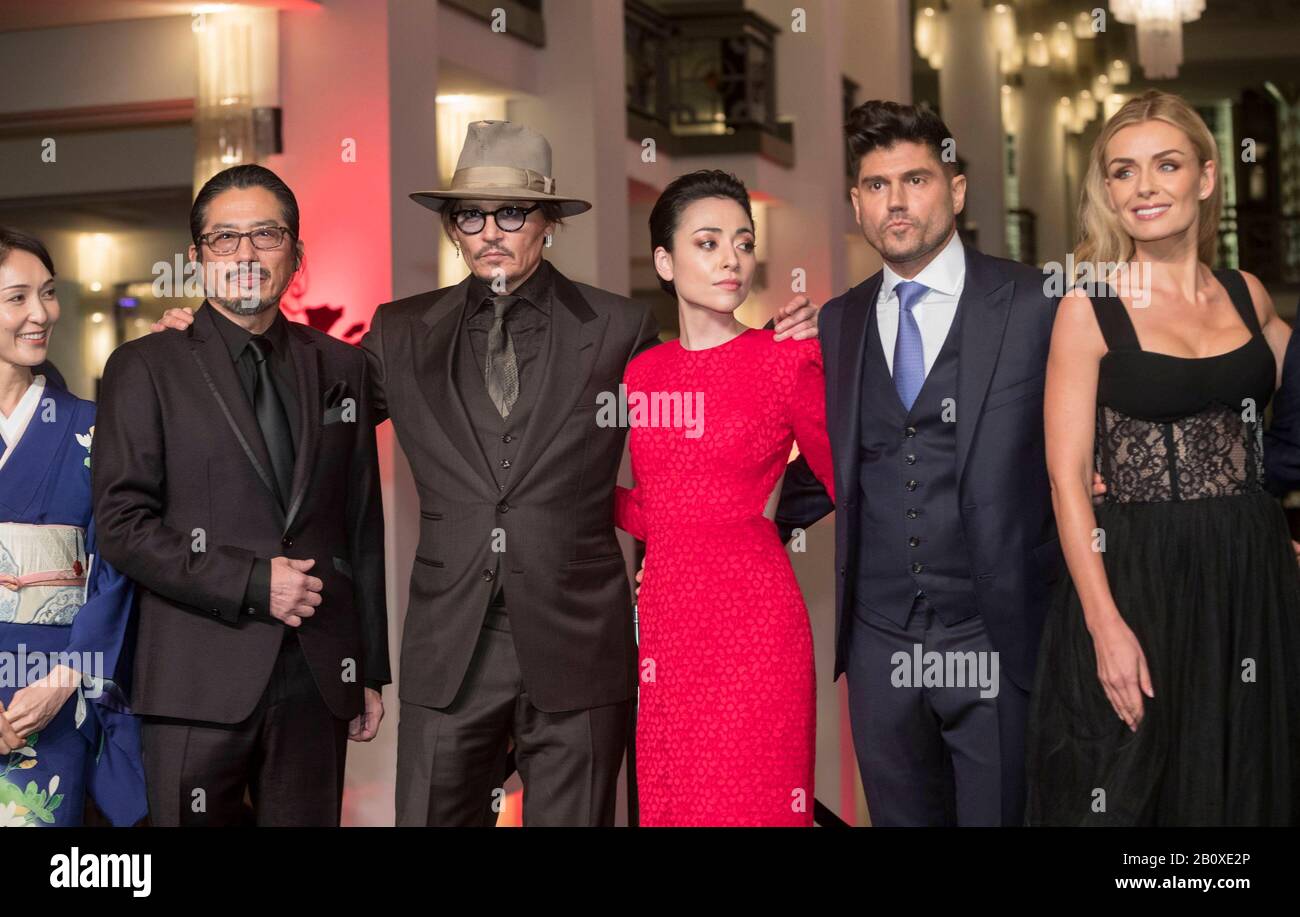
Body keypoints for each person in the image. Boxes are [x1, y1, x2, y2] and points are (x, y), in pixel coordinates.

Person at [158, 122, 821, 826]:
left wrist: (776, 377)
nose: (491, 232)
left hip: (580, 647)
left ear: (548, 224)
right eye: (470, 215)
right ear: (452, 228)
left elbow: (704, 433)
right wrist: (214, 347)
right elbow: (305, 406)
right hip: (451, 648)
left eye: (512, 212)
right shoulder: (399, 332)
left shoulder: (618, 329)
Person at [775, 101, 1060, 826]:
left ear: (956, 190)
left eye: (916, 180)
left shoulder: (1034, 301)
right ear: (856, 203)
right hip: (879, 643)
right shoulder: (838, 320)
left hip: (996, 635)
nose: (895, 202)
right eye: (875, 185)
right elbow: (830, 464)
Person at [1027, 90, 1300, 825]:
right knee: (1136, 794)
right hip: (1138, 575)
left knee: (1244, 780)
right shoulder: (1088, 307)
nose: (1144, 187)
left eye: (1166, 165)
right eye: (1123, 172)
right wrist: (1104, 625)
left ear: (1206, 178)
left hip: (1251, 576)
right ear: (1108, 192)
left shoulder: (1248, 296)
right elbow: (1065, 479)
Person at [93, 165, 390, 826]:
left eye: (266, 234)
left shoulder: (340, 367)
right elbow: (122, 524)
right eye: (224, 239)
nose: (246, 253)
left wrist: (368, 666)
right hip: (194, 674)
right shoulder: (144, 367)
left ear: (297, 253)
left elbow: (359, 526)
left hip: (316, 674)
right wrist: (255, 583)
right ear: (196, 257)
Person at [612, 170, 834, 827]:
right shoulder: (642, 373)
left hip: (757, 627)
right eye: (707, 242)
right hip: (669, 632)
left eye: (742, 242)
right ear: (664, 260)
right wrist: (589, 501)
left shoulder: (784, 359)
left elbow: (846, 474)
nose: (731, 258)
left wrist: (827, 356)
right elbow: (659, 509)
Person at [0, 228, 146, 826]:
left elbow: (118, 566)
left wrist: (65, 679)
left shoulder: (94, 428)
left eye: (49, 293)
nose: (42, 313)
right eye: (17, 297)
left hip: (55, 690)